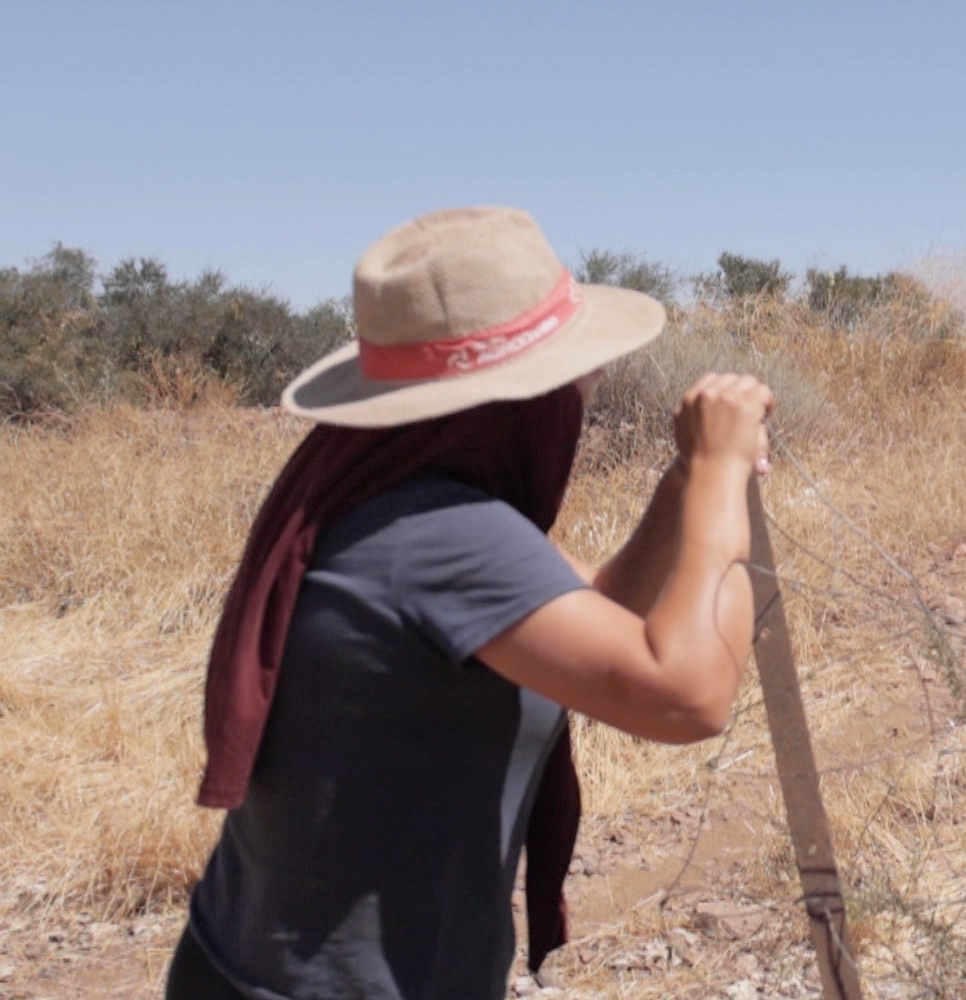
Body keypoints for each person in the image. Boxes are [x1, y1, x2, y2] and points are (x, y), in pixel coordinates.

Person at [164, 207, 775, 1000]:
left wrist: (684, 485)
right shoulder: (443, 536)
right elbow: (688, 694)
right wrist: (724, 482)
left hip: (254, 967)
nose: (587, 392)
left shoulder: (387, 493)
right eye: (575, 375)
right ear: (520, 399)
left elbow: (587, 610)